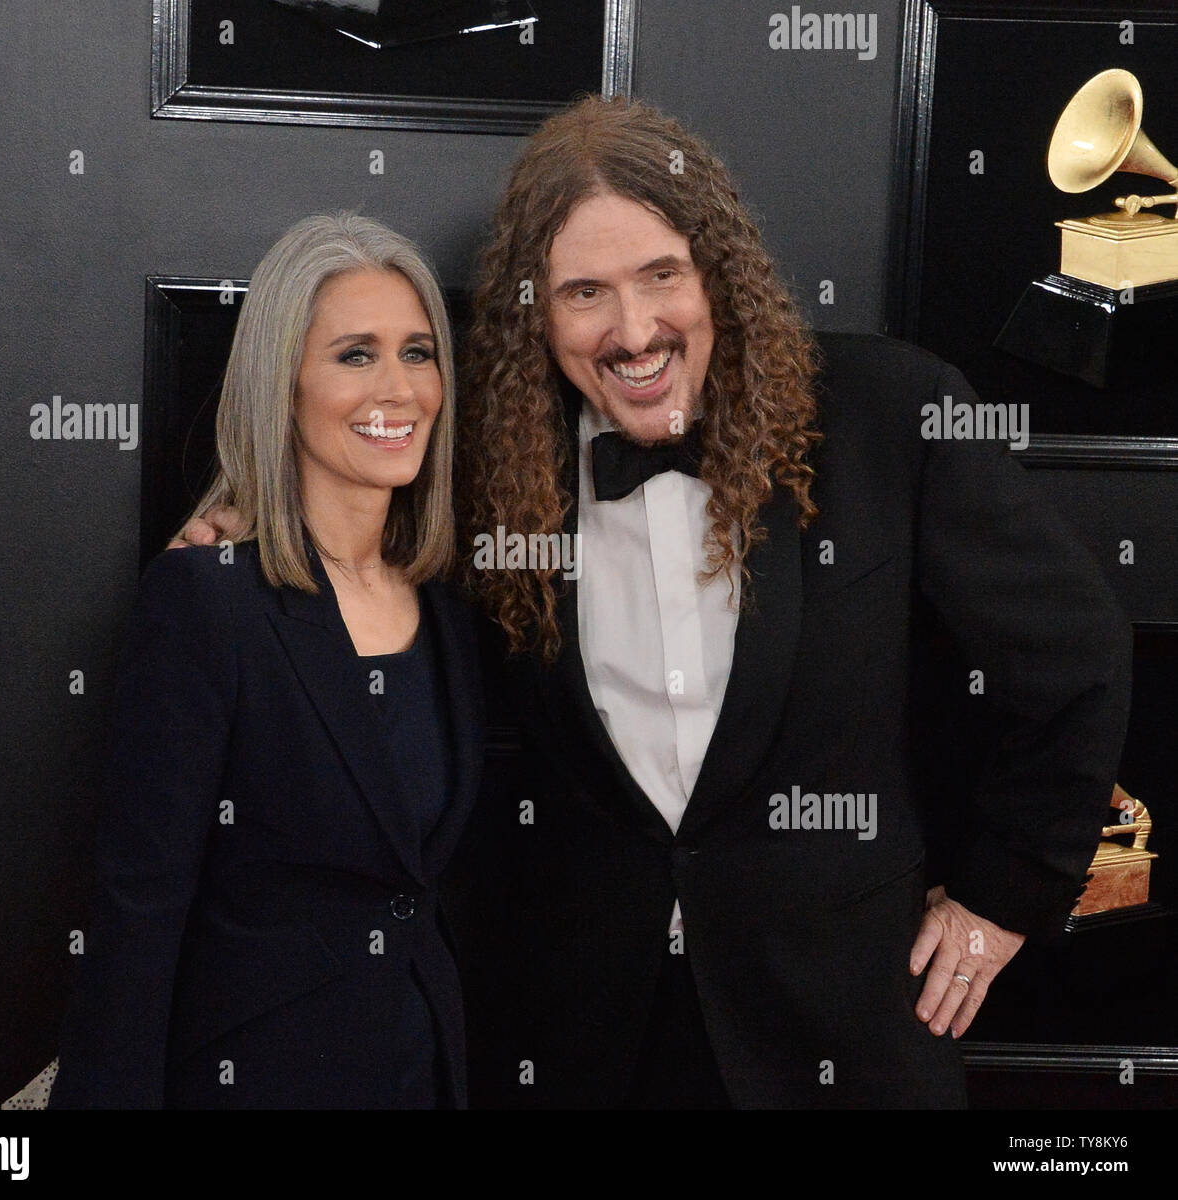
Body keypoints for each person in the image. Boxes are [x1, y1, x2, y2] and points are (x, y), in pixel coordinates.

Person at [181, 98, 1132, 1109]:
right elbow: (349, 494)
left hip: (842, 1028)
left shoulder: (886, 412)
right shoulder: (492, 454)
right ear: (535, 310)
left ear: (714, 270)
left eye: (660, 276)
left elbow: (1076, 654)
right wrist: (243, 525)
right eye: (583, 291)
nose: (632, 331)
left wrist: (1003, 896)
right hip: (577, 1035)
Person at [49, 213, 484, 1109]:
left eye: (418, 351)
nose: (398, 388)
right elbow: (140, 909)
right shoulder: (205, 598)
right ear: (279, 384)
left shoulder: (444, 607)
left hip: (422, 1073)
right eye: (355, 355)